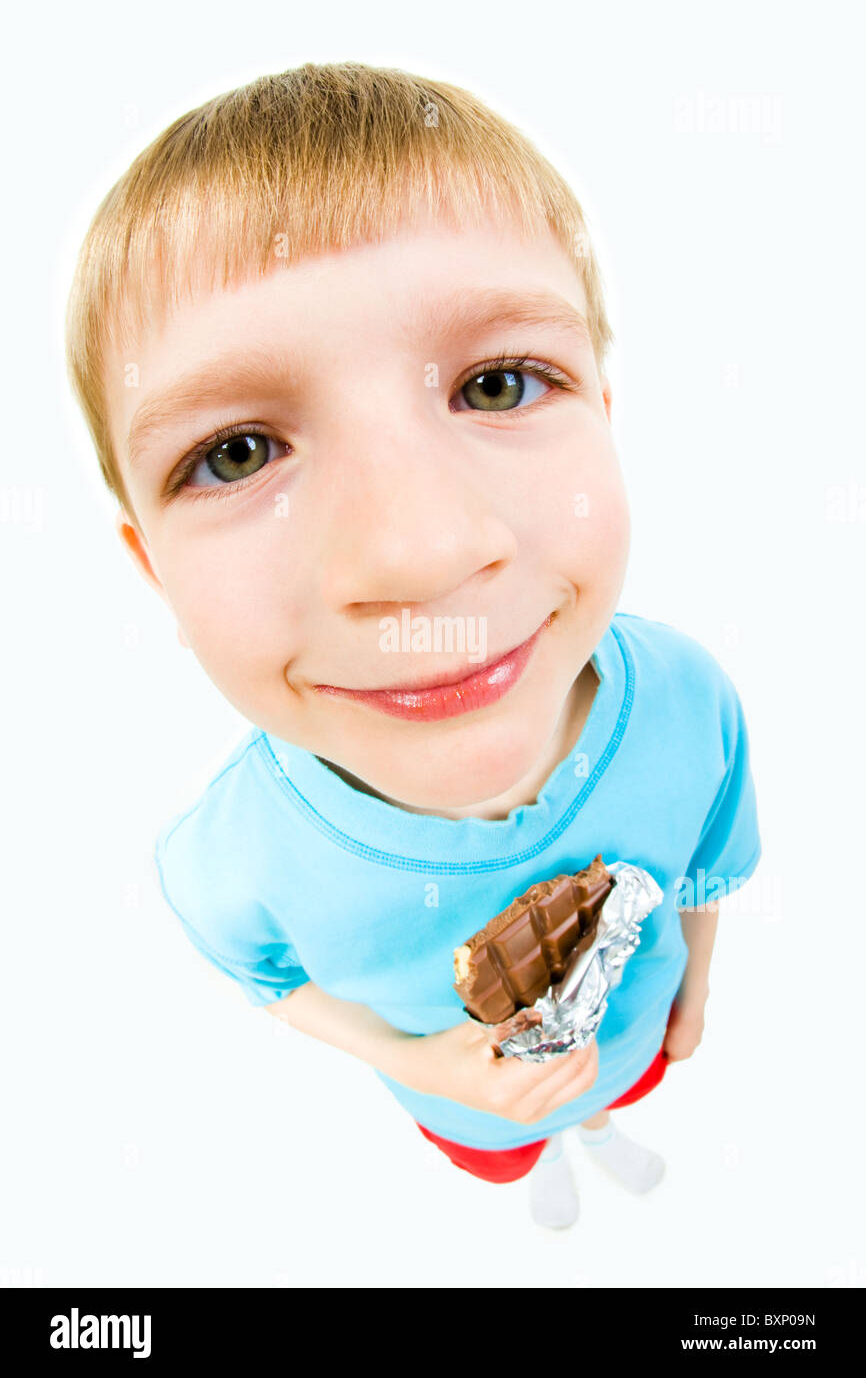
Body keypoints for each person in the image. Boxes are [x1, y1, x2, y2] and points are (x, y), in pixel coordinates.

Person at [64, 62, 761, 1230]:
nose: (419, 552)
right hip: (469, 1116)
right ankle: (538, 1161)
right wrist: (427, 1066)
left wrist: (697, 982)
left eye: (496, 384)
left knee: (603, 1096)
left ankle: (590, 1126)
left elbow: (707, 852)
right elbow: (265, 976)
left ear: (605, 409)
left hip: (632, 1041)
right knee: (513, 1155)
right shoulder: (237, 854)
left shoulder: (688, 695)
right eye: (237, 453)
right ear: (154, 575)